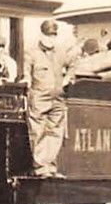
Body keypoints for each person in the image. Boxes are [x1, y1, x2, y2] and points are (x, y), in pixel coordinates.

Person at [23, 19, 79, 177]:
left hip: (57, 98)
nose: (51, 39)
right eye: (48, 36)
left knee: (55, 133)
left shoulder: (60, 52)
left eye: (54, 36)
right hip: (39, 97)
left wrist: (69, 77)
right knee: (38, 132)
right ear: (41, 35)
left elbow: (73, 64)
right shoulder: (31, 52)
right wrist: (26, 80)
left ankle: (51, 167)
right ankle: (40, 168)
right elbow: (26, 70)